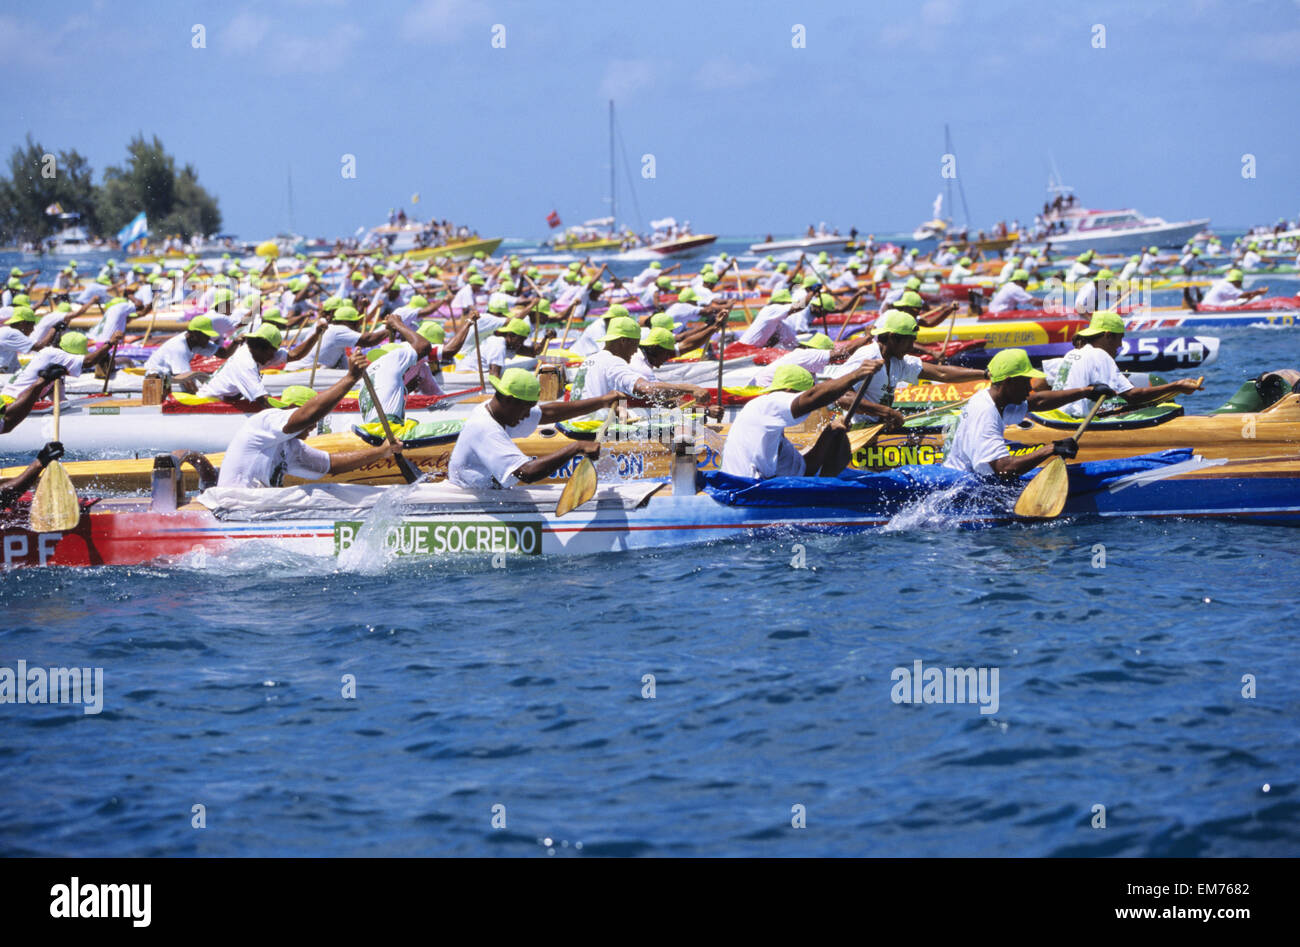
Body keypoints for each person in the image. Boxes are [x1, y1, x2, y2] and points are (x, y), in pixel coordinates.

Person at [216, 352, 402, 489]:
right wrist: (350, 378)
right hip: (234, 506)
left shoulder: (291, 447)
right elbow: (307, 416)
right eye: (315, 420)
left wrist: (382, 451)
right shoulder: (266, 421)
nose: (313, 426)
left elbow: (333, 465)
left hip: (254, 509)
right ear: (290, 409)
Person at [446, 367, 623, 489]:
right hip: (469, 498)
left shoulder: (493, 407)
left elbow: (548, 412)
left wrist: (602, 401)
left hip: (485, 490)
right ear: (509, 400)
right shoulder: (485, 428)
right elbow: (526, 473)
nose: (527, 415)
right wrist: (575, 447)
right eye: (526, 408)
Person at [943, 349, 1106, 477]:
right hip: (963, 485)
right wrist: (1051, 449)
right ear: (1008, 382)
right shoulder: (985, 412)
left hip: (972, 476)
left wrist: (1086, 391)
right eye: (1026, 381)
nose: (1030, 388)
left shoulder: (997, 400)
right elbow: (1004, 469)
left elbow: (1038, 401)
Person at [720, 362, 882, 480]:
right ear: (789, 392)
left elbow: (807, 470)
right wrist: (855, 375)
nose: (811, 409)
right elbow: (811, 398)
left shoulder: (772, 433)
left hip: (752, 491)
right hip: (744, 493)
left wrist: (830, 433)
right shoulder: (767, 404)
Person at [830, 310, 986, 427]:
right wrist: (886, 412)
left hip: (879, 426)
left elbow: (941, 373)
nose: (912, 347)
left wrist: (984, 374)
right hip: (857, 428)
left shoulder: (899, 361)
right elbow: (840, 397)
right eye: (909, 341)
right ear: (892, 338)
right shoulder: (868, 356)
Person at [1050, 311, 1203, 416]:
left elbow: (1040, 384)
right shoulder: (1100, 355)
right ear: (1108, 336)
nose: (1120, 345)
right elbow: (1132, 396)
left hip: (1054, 416)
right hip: (1071, 423)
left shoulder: (1072, 353)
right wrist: (1176, 386)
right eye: (1120, 338)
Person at [569, 316, 711, 406]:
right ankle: (688, 454)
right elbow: (647, 389)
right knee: (682, 432)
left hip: (575, 424)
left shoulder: (591, 358)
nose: (634, 351)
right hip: (590, 431)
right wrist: (690, 388)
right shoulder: (613, 362)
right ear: (623, 341)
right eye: (635, 345)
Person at [361, 315, 474, 423]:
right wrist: (468, 323)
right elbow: (450, 350)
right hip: (381, 414)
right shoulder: (409, 351)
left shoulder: (422, 368)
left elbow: (437, 398)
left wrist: (457, 407)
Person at [195, 324, 287, 410]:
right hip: (209, 403)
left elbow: (294, 355)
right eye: (272, 352)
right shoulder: (246, 363)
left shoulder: (254, 351)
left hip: (222, 399)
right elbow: (263, 400)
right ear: (262, 349)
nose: (273, 357)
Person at [0, 332, 113, 400]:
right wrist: (110, 343)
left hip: (19, 400)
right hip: (10, 401)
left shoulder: (58, 369)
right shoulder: (54, 354)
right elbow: (89, 361)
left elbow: (60, 401)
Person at [143, 315, 238, 393]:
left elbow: (224, 354)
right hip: (153, 378)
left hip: (170, 377)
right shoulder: (179, 348)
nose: (208, 338)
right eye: (206, 335)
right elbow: (186, 380)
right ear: (194, 334)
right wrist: (201, 398)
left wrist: (236, 342)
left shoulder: (196, 341)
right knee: (190, 384)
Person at [1200, 268, 1267, 308]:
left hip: (1210, 305)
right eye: (1240, 283)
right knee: (1257, 298)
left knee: (1251, 298)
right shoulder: (1228, 286)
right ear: (1237, 281)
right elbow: (1244, 295)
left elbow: (1243, 296)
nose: (1240, 286)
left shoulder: (1223, 282)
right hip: (1211, 308)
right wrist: (1258, 292)